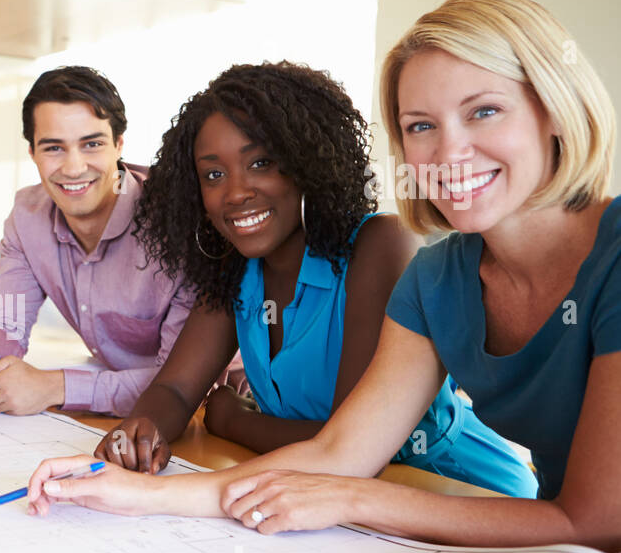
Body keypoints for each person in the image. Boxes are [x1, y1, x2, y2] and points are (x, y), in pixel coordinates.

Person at [27, 0, 620, 553]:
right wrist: (139, 493)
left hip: (505, 518)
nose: (448, 152)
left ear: (555, 109)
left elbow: (593, 523)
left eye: (484, 111)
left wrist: (348, 495)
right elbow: (339, 453)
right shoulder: (438, 278)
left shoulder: (596, 256)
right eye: (420, 126)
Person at [94, 62, 536, 498]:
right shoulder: (234, 269)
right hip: (329, 503)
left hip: (454, 489)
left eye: (261, 162)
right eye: (213, 174)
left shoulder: (380, 246)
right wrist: (141, 431)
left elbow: (345, 445)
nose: (235, 191)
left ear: (305, 163)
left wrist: (233, 421)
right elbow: (174, 388)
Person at [0, 65, 202, 436]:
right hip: (117, 415)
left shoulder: (178, 221)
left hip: (211, 412)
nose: (74, 168)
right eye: (54, 148)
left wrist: (55, 387)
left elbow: (184, 384)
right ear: (32, 153)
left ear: (120, 145)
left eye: (92, 144)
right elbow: (4, 321)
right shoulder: (28, 218)